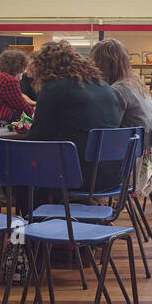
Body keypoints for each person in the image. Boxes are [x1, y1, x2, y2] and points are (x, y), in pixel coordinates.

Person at [28, 41, 122, 192]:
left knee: (22, 165)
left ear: (44, 68)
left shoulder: (54, 88)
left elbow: (37, 139)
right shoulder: (104, 86)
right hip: (114, 175)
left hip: (77, 176)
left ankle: (32, 215)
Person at [91, 38, 152, 138]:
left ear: (103, 65)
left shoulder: (118, 91)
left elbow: (105, 129)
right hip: (146, 148)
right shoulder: (137, 83)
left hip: (129, 150)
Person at [0, 48, 35, 124]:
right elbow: (21, 104)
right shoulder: (9, 80)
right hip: (3, 120)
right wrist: (35, 115)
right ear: (19, 67)